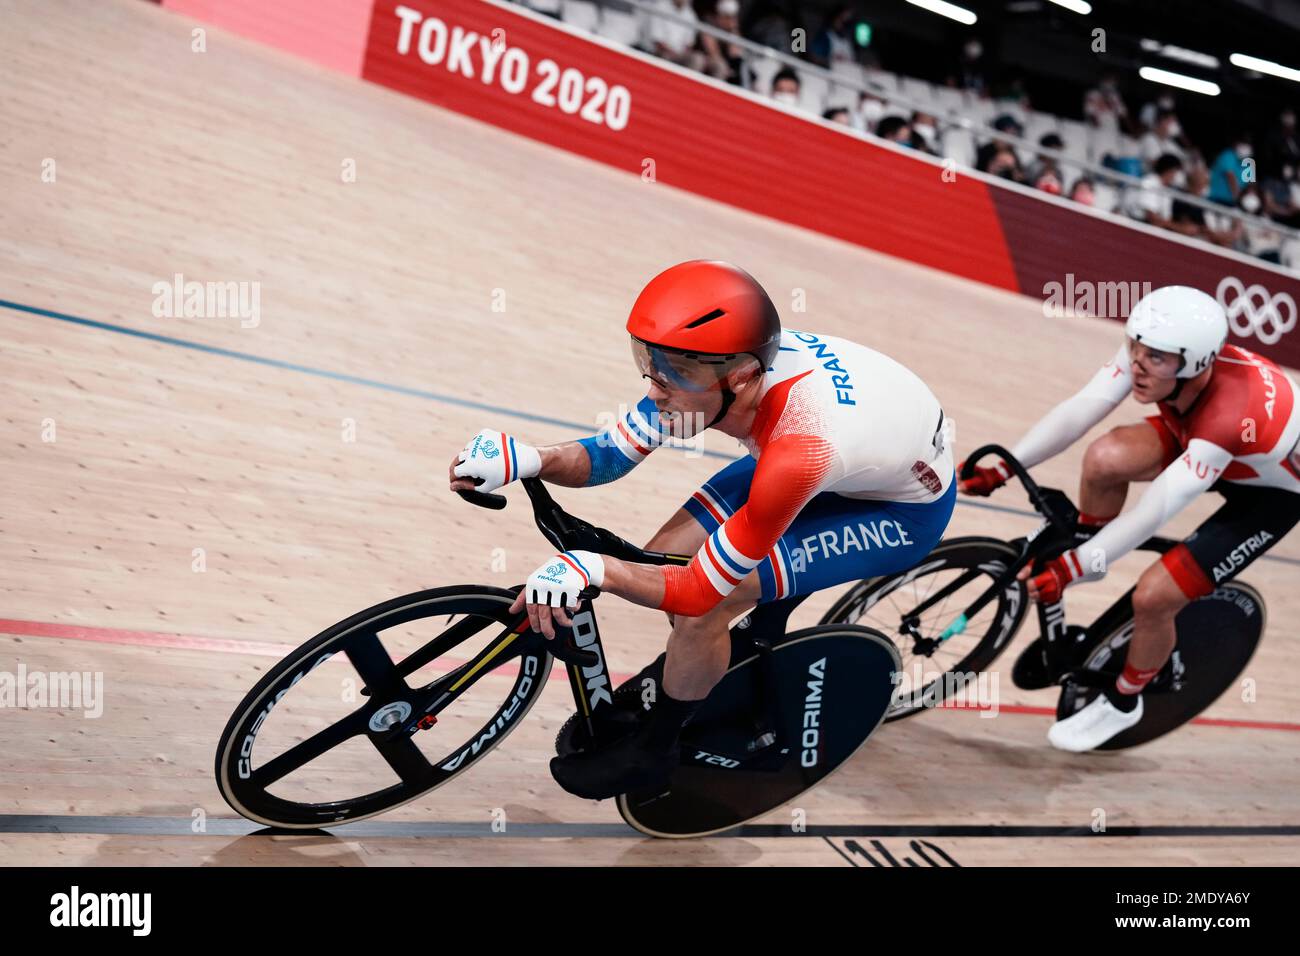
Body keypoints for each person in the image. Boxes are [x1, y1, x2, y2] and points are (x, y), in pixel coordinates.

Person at [450, 261, 956, 798]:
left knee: (707, 608)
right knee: (658, 557)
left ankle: (656, 751)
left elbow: (696, 593)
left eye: (675, 371)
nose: (657, 385)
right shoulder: (708, 371)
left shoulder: (797, 447)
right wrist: (529, 458)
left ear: (740, 378)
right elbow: (608, 458)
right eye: (650, 360)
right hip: (850, 454)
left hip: (896, 512)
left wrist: (593, 567)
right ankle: (719, 668)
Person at [960, 287, 1300, 752]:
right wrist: (1007, 464)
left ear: (1193, 365)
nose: (1137, 363)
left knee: (1155, 596)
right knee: (1104, 458)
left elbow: (1159, 505)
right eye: (1134, 346)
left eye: (1154, 357)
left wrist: (1076, 567)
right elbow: (1082, 409)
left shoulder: (1226, 413)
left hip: (1269, 495)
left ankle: (1124, 701)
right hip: (1201, 439)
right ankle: (1092, 540)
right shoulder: (1157, 362)